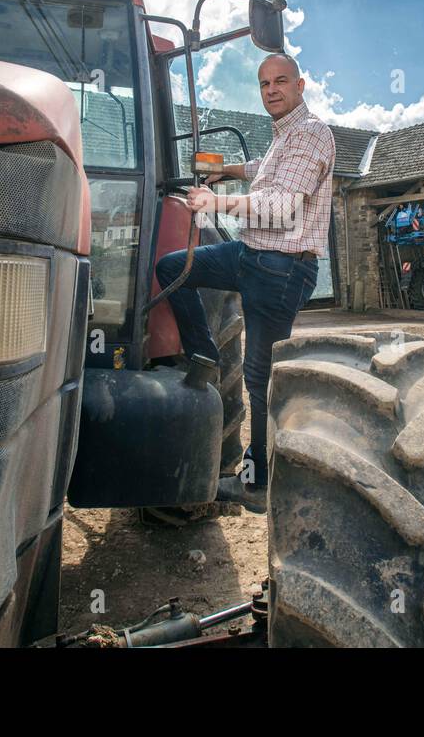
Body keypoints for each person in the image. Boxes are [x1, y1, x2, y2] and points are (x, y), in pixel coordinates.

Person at [155, 52, 335, 513]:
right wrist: (232, 170)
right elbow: (267, 170)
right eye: (263, 84)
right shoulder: (285, 137)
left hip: (282, 267)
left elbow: (283, 207)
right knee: (174, 268)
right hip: (250, 255)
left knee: (261, 377)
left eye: (280, 81)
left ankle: (259, 480)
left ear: (300, 84)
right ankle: (205, 355)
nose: (271, 89)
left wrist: (216, 201)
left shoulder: (312, 134)